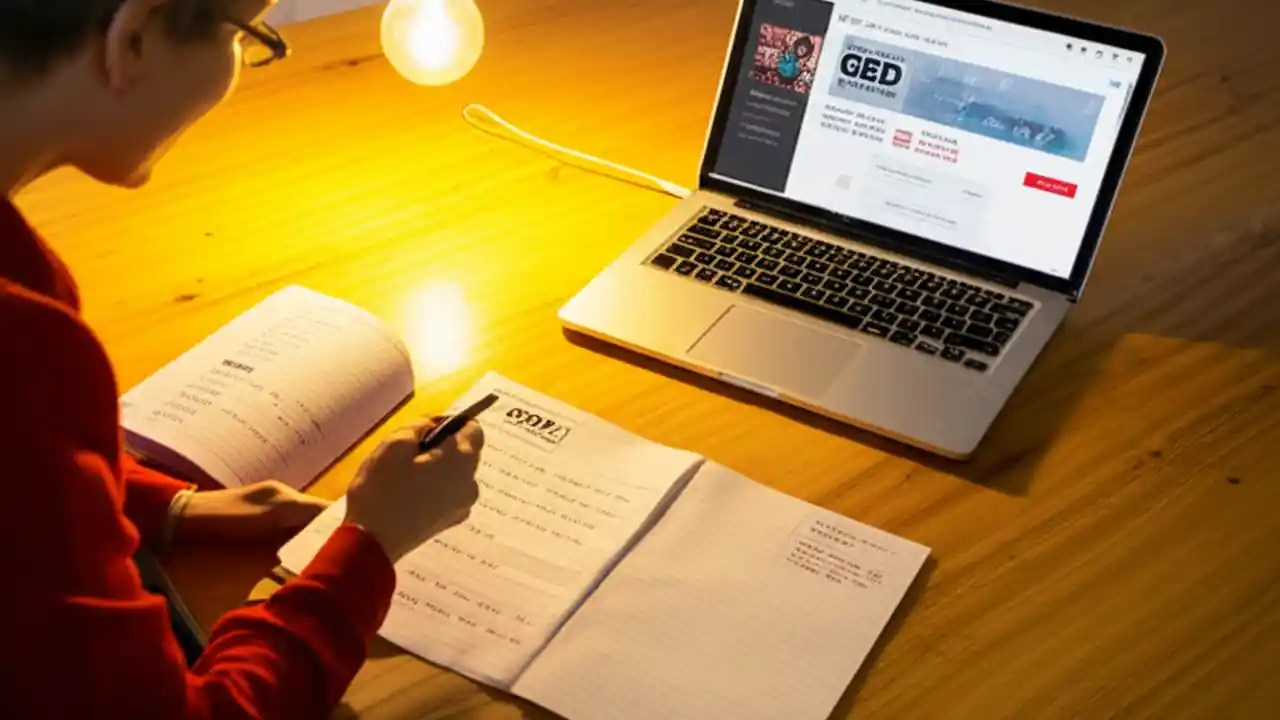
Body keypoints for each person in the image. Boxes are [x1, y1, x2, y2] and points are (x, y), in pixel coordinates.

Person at [0, 1, 485, 717]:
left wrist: (174, 507)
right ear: (131, 36)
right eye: (243, 34)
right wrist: (369, 545)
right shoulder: (27, 357)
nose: (238, 67)